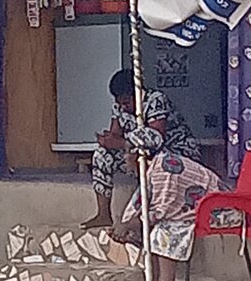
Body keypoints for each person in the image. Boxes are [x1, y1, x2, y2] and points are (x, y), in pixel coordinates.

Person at [112, 126, 236, 281]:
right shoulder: (153, 169)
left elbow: (161, 211)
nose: (124, 157)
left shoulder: (165, 169)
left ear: (141, 155)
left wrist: (128, 225)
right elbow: (141, 204)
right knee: (152, 230)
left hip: (219, 210)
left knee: (165, 231)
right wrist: (125, 226)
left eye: (127, 152)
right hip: (190, 209)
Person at [82, 68, 200, 229]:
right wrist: (108, 141)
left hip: (173, 155)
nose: (122, 107)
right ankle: (103, 214)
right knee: (101, 155)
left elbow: (156, 139)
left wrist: (123, 143)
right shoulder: (119, 107)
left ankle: (149, 215)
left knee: (148, 151)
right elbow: (116, 134)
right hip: (137, 155)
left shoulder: (156, 100)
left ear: (136, 93)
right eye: (119, 103)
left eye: (126, 102)